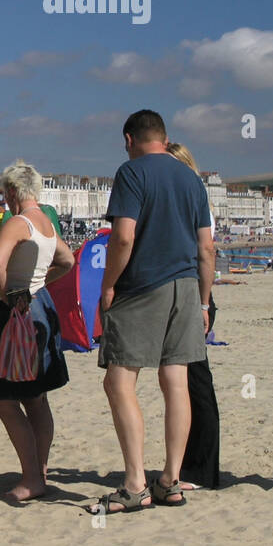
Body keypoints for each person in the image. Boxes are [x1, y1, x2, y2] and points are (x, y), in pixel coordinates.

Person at [93, 110, 214, 514]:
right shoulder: (191, 178)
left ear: (129, 139)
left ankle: (134, 484)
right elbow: (207, 249)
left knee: (119, 382)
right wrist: (202, 300)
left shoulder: (132, 173)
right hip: (185, 286)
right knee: (175, 382)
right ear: (164, 137)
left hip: (144, 286)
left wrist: (108, 284)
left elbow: (123, 238)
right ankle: (170, 479)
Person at [0, 161, 77, 501]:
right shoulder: (46, 224)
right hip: (38, 309)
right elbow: (67, 261)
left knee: (2, 399)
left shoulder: (19, 222)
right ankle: (40, 469)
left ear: (12, 191)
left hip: (16, 316)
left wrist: (14, 298)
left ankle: (32, 477)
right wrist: (37, 287)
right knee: (35, 397)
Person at [166, 142, 220, 490]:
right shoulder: (180, 200)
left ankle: (200, 469)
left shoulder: (195, 201)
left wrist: (202, 304)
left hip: (194, 294)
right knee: (180, 382)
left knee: (196, 383)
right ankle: (186, 465)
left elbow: (206, 253)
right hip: (181, 293)